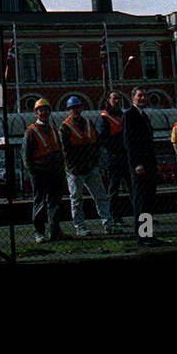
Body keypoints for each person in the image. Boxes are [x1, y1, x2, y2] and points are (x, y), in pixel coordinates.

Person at [59, 95, 119, 235]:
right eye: (72, 108)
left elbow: (96, 143)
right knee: (76, 199)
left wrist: (96, 161)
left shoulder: (88, 123)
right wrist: (71, 167)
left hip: (91, 166)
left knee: (101, 196)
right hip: (75, 169)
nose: (75, 110)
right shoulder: (65, 127)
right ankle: (80, 226)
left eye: (78, 107)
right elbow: (64, 150)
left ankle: (108, 223)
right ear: (68, 110)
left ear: (81, 108)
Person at [22, 98, 66, 243]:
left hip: (55, 171)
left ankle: (55, 230)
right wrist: (33, 172)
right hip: (40, 172)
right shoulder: (31, 131)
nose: (44, 113)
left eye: (46, 110)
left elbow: (59, 149)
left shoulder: (53, 129)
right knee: (40, 202)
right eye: (41, 110)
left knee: (55, 202)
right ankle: (39, 232)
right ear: (36, 113)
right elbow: (26, 155)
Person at [123, 86, 162, 245]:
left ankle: (148, 234)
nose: (143, 98)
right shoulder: (129, 115)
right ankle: (142, 236)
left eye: (145, 95)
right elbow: (129, 142)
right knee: (141, 201)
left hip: (149, 164)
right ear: (133, 98)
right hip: (140, 166)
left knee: (148, 200)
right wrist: (136, 163)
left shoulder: (144, 115)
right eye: (140, 95)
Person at [96, 91, 130, 218]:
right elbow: (103, 139)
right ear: (108, 100)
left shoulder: (123, 115)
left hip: (125, 156)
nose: (117, 101)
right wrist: (118, 141)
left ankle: (140, 215)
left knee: (132, 187)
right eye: (114, 98)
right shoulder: (104, 117)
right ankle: (114, 216)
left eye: (119, 98)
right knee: (114, 188)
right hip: (113, 157)